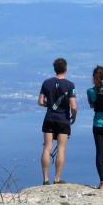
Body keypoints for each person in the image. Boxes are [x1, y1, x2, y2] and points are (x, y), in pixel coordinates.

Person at [38, 57, 77, 185]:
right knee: (61, 148)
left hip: (49, 118)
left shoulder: (46, 83)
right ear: (66, 69)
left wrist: (49, 105)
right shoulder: (70, 85)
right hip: (63, 119)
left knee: (47, 147)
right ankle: (57, 179)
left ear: (55, 69)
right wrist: (74, 116)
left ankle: (45, 179)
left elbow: (40, 102)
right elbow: (74, 106)